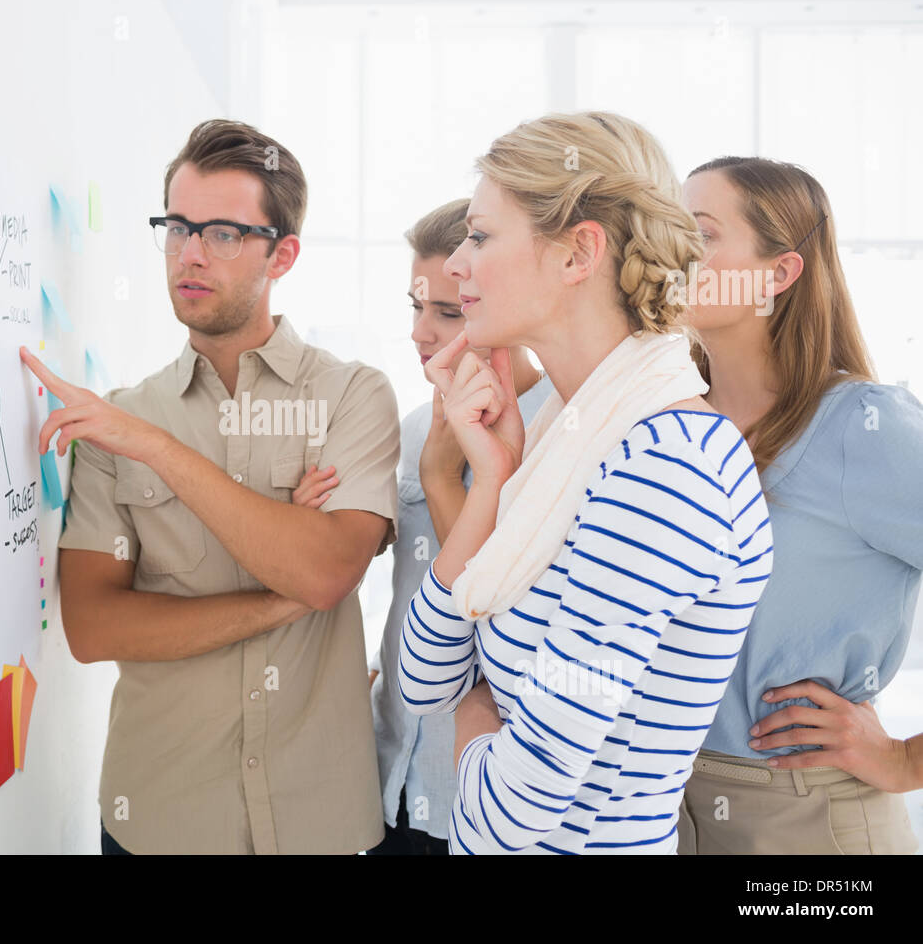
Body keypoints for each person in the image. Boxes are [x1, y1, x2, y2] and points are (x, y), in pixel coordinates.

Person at [19, 119, 401, 854]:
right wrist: (279, 598)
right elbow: (95, 629)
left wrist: (160, 453)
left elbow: (325, 570)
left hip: (318, 825)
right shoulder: (117, 421)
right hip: (160, 823)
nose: (190, 254)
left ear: (281, 254)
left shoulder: (354, 395)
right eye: (178, 227)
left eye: (223, 232)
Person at [397, 111, 774, 854]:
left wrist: (478, 712)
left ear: (579, 253)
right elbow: (420, 684)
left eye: (480, 236)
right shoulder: (560, 441)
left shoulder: (666, 470)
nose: (457, 266)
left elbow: (511, 811)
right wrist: (490, 483)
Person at [676, 156, 923, 854]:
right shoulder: (668, 424)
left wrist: (906, 759)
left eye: (700, 235)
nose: (669, 254)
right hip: (666, 809)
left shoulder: (863, 429)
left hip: (806, 822)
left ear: (779, 274)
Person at [293, 198, 553, 854]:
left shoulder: (559, 432)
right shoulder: (409, 429)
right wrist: (311, 521)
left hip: (480, 791)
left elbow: (502, 603)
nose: (419, 332)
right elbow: (375, 568)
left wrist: (442, 480)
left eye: (447, 311)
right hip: (391, 779)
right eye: (416, 306)